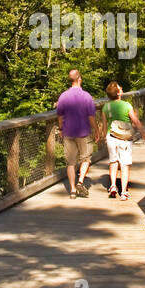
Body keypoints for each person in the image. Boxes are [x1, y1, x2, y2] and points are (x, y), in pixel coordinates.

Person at [101, 81, 145, 200]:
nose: (121, 88)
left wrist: (103, 137)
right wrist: (143, 132)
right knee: (125, 164)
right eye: (120, 87)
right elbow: (135, 121)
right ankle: (123, 191)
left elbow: (104, 124)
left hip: (111, 136)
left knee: (113, 162)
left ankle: (113, 186)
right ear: (118, 93)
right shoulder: (126, 105)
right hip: (125, 138)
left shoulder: (106, 107)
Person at [56, 69, 100, 199]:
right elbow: (91, 117)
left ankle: (73, 190)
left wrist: (60, 129)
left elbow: (60, 115)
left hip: (68, 132)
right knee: (86, 159)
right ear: (79, 79)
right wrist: (96, 130)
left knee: (70, 163)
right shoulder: (86, 96)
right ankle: (80, 181)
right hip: (84, 132)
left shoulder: (63, 96)